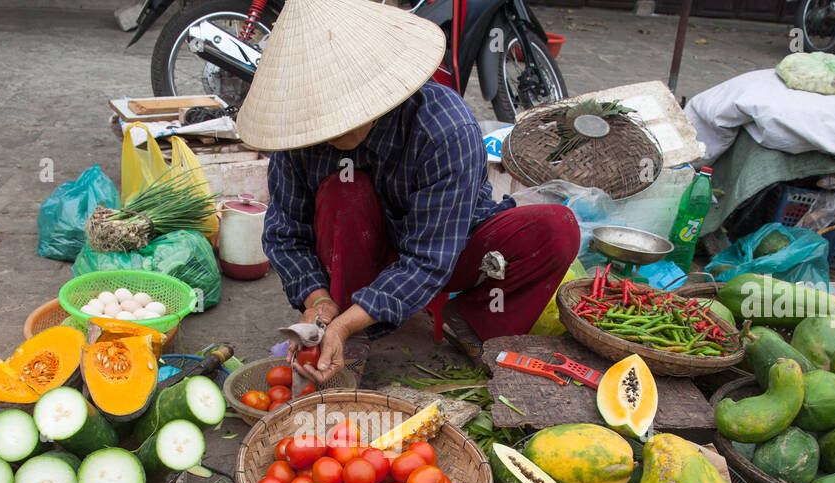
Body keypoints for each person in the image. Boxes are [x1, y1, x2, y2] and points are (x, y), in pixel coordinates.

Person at [235, 0, 579, 384]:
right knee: (345, 191)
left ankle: (470, 321)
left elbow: (430, 258)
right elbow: (285, 234)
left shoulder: (445, 127)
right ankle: (353, 332)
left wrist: (345, 320)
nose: (330, 133)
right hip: (350, 251)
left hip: (445, 247)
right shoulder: (297, 136)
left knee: (556, 227)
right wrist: (318, 300)